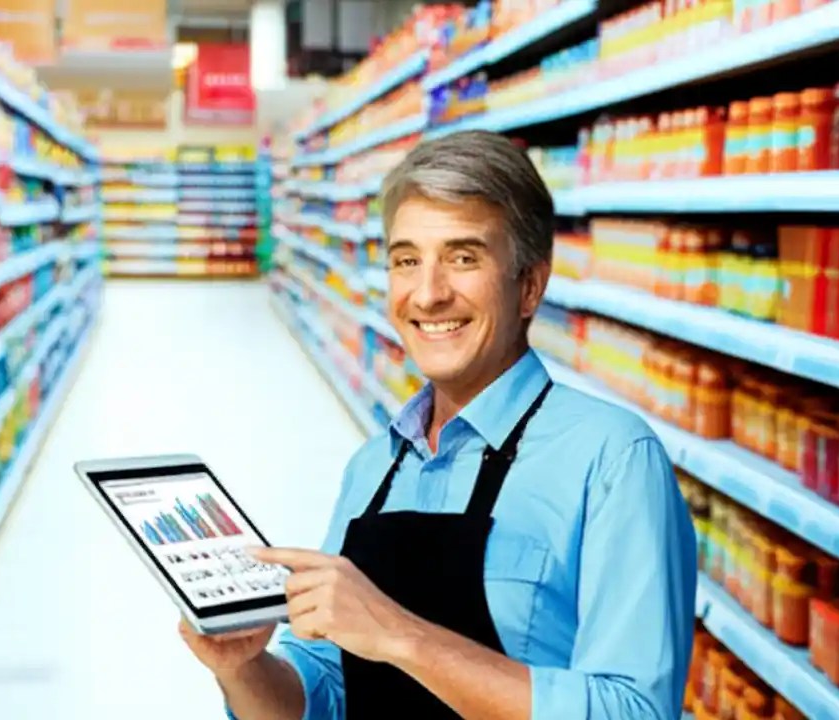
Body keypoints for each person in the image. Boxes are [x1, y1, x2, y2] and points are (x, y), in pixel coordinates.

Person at [180, 130, 697, 719]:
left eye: (463, 258)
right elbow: (325, 695)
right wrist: (245, 668)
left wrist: (401, 636)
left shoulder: (612, 459)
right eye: (407, 261)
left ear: (530, 286)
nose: (427, 295)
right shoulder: (374, 466)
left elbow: (635, 710)